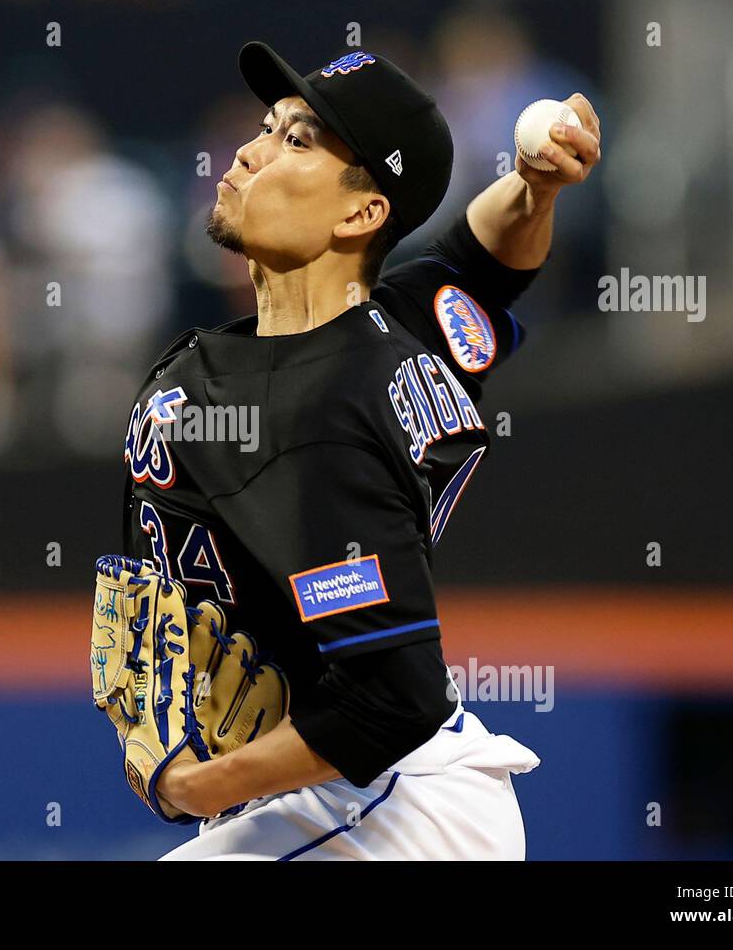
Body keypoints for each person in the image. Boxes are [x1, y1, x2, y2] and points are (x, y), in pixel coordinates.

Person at [117, 42, 600, 859]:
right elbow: (481, 263)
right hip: (378, 797)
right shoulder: (392, 322)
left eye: (297, 142)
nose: (249, 150)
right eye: (269, 127)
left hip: (387, 805)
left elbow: (391, 699)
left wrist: (188, 786)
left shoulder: (317, 418)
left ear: (360, 215)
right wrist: (533, 186)